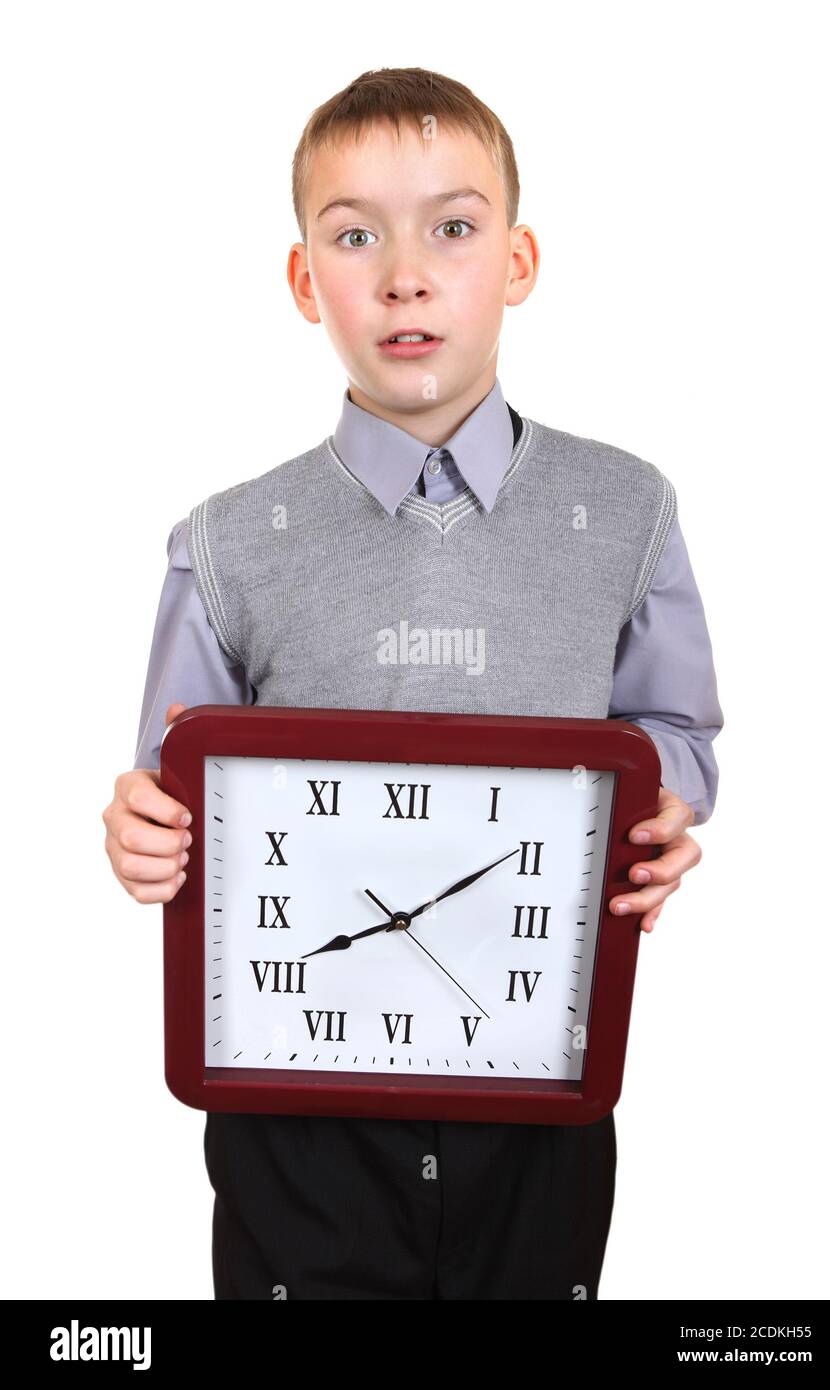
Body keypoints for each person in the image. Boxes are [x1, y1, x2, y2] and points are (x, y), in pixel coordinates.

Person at [103, 66, 723, 1300]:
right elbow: (174, 782)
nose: (405, 274)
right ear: (303, 279)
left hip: (535, 1079)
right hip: (298, 1110)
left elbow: (672, 732)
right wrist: (142, 832)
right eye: (354, 235)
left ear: (518, 259)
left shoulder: (628, 512)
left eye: (453, 226)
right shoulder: (227, 540)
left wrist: (668, 810)